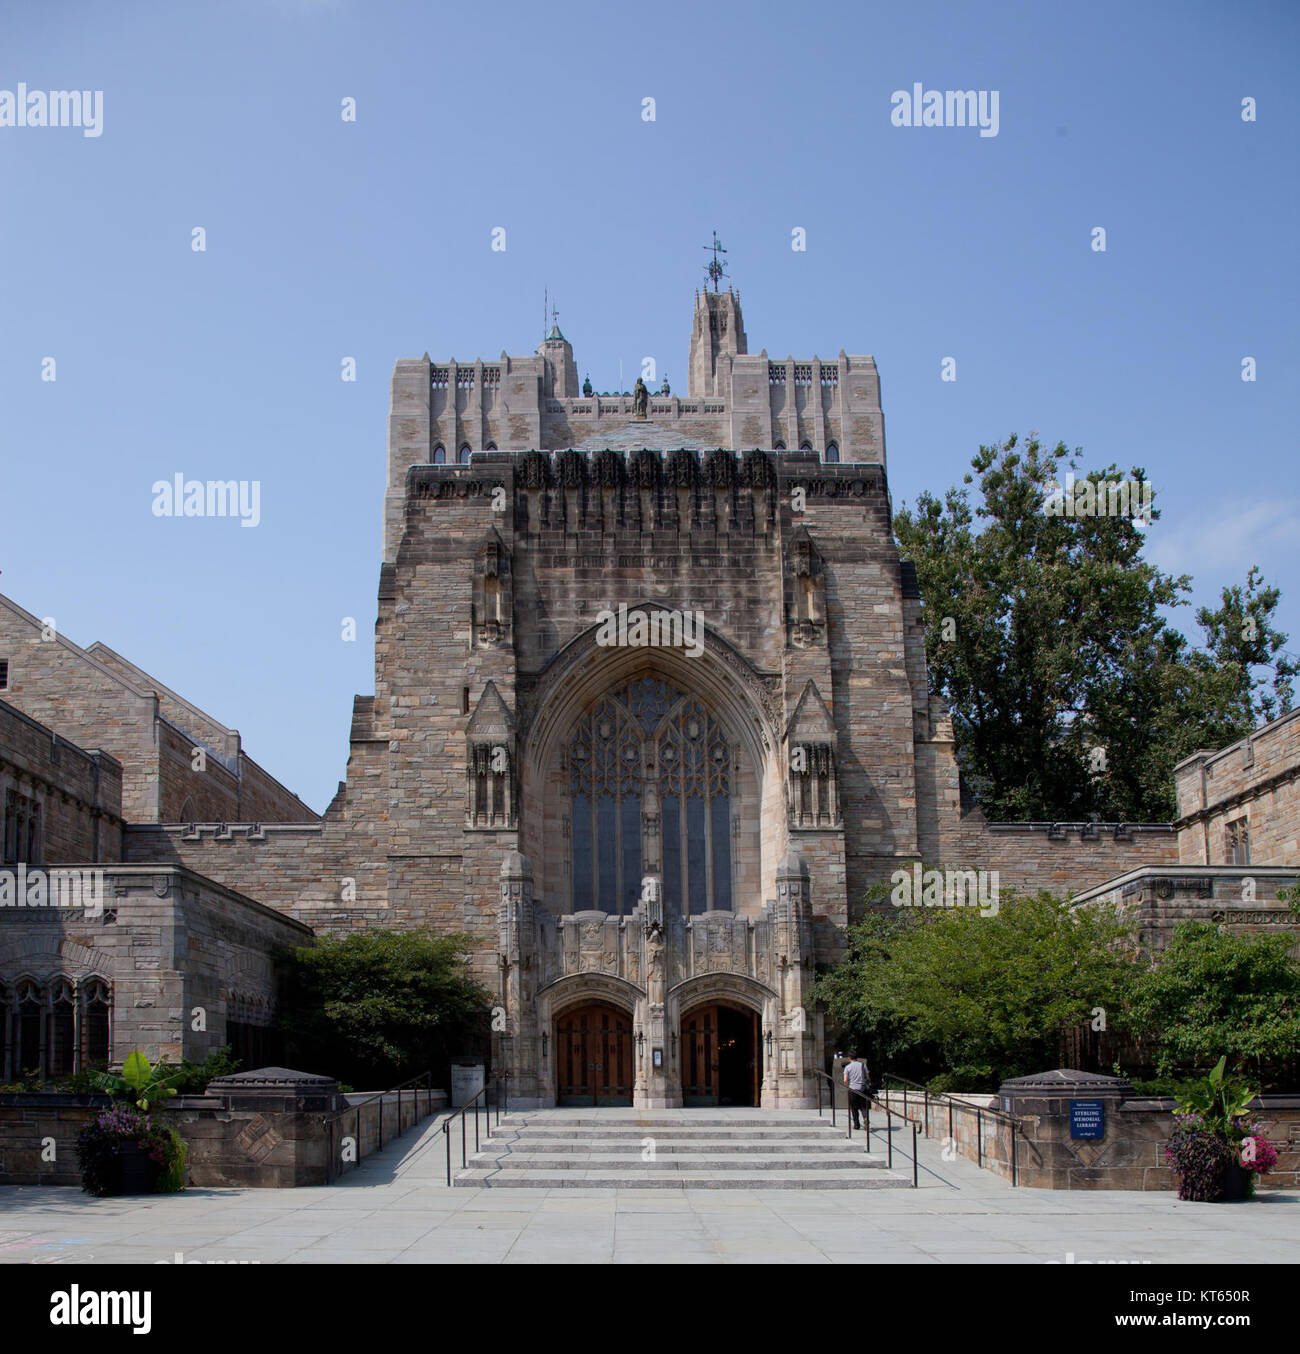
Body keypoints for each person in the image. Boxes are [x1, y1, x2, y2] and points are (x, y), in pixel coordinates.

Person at [843, 1051, 870, 1130]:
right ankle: (865, 1118)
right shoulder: (863, 1065)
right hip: (862, 1089)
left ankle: (856, 1124)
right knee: (863, 1107)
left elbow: (845, 1080)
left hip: (853, 1090)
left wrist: (846, 1086)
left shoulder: (848, 1067)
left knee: (854, 1108)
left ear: (849, 1058)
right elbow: (868, 1077)